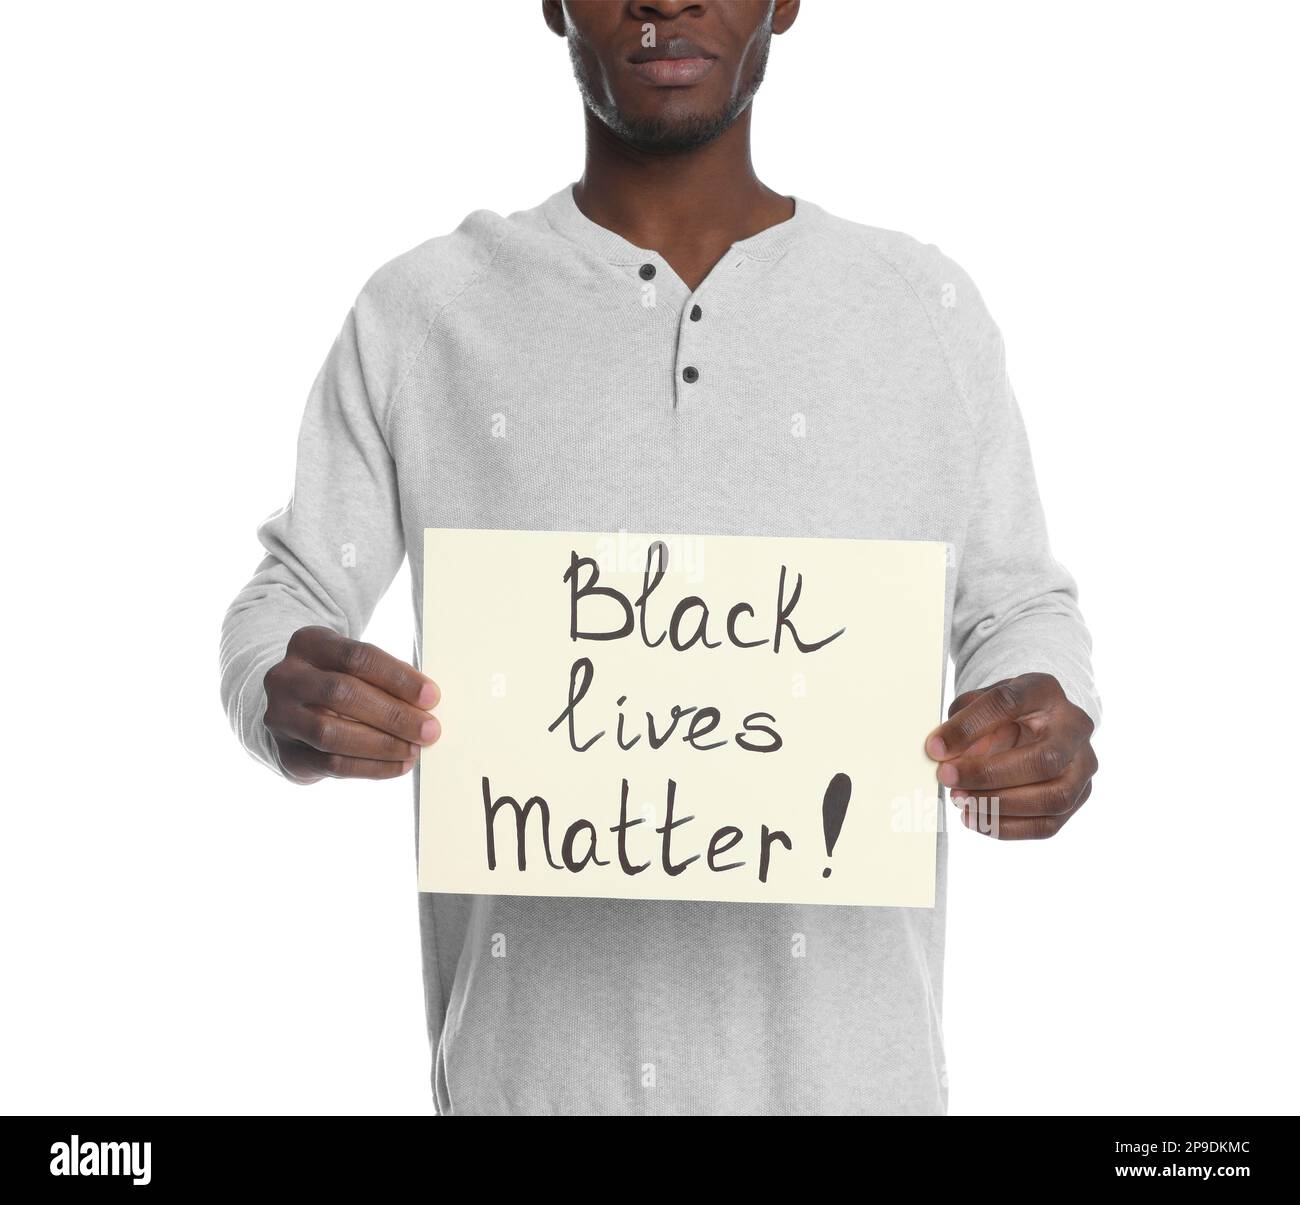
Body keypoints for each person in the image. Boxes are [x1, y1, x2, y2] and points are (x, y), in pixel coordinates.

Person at [220, 0, 1099, 1115]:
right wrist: (282, 688)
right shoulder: (425, 311)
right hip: (526, 1082)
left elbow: (1014, 596)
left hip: (852, 1080)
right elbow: (290, 588)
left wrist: (1038, 709)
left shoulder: (922, 308)